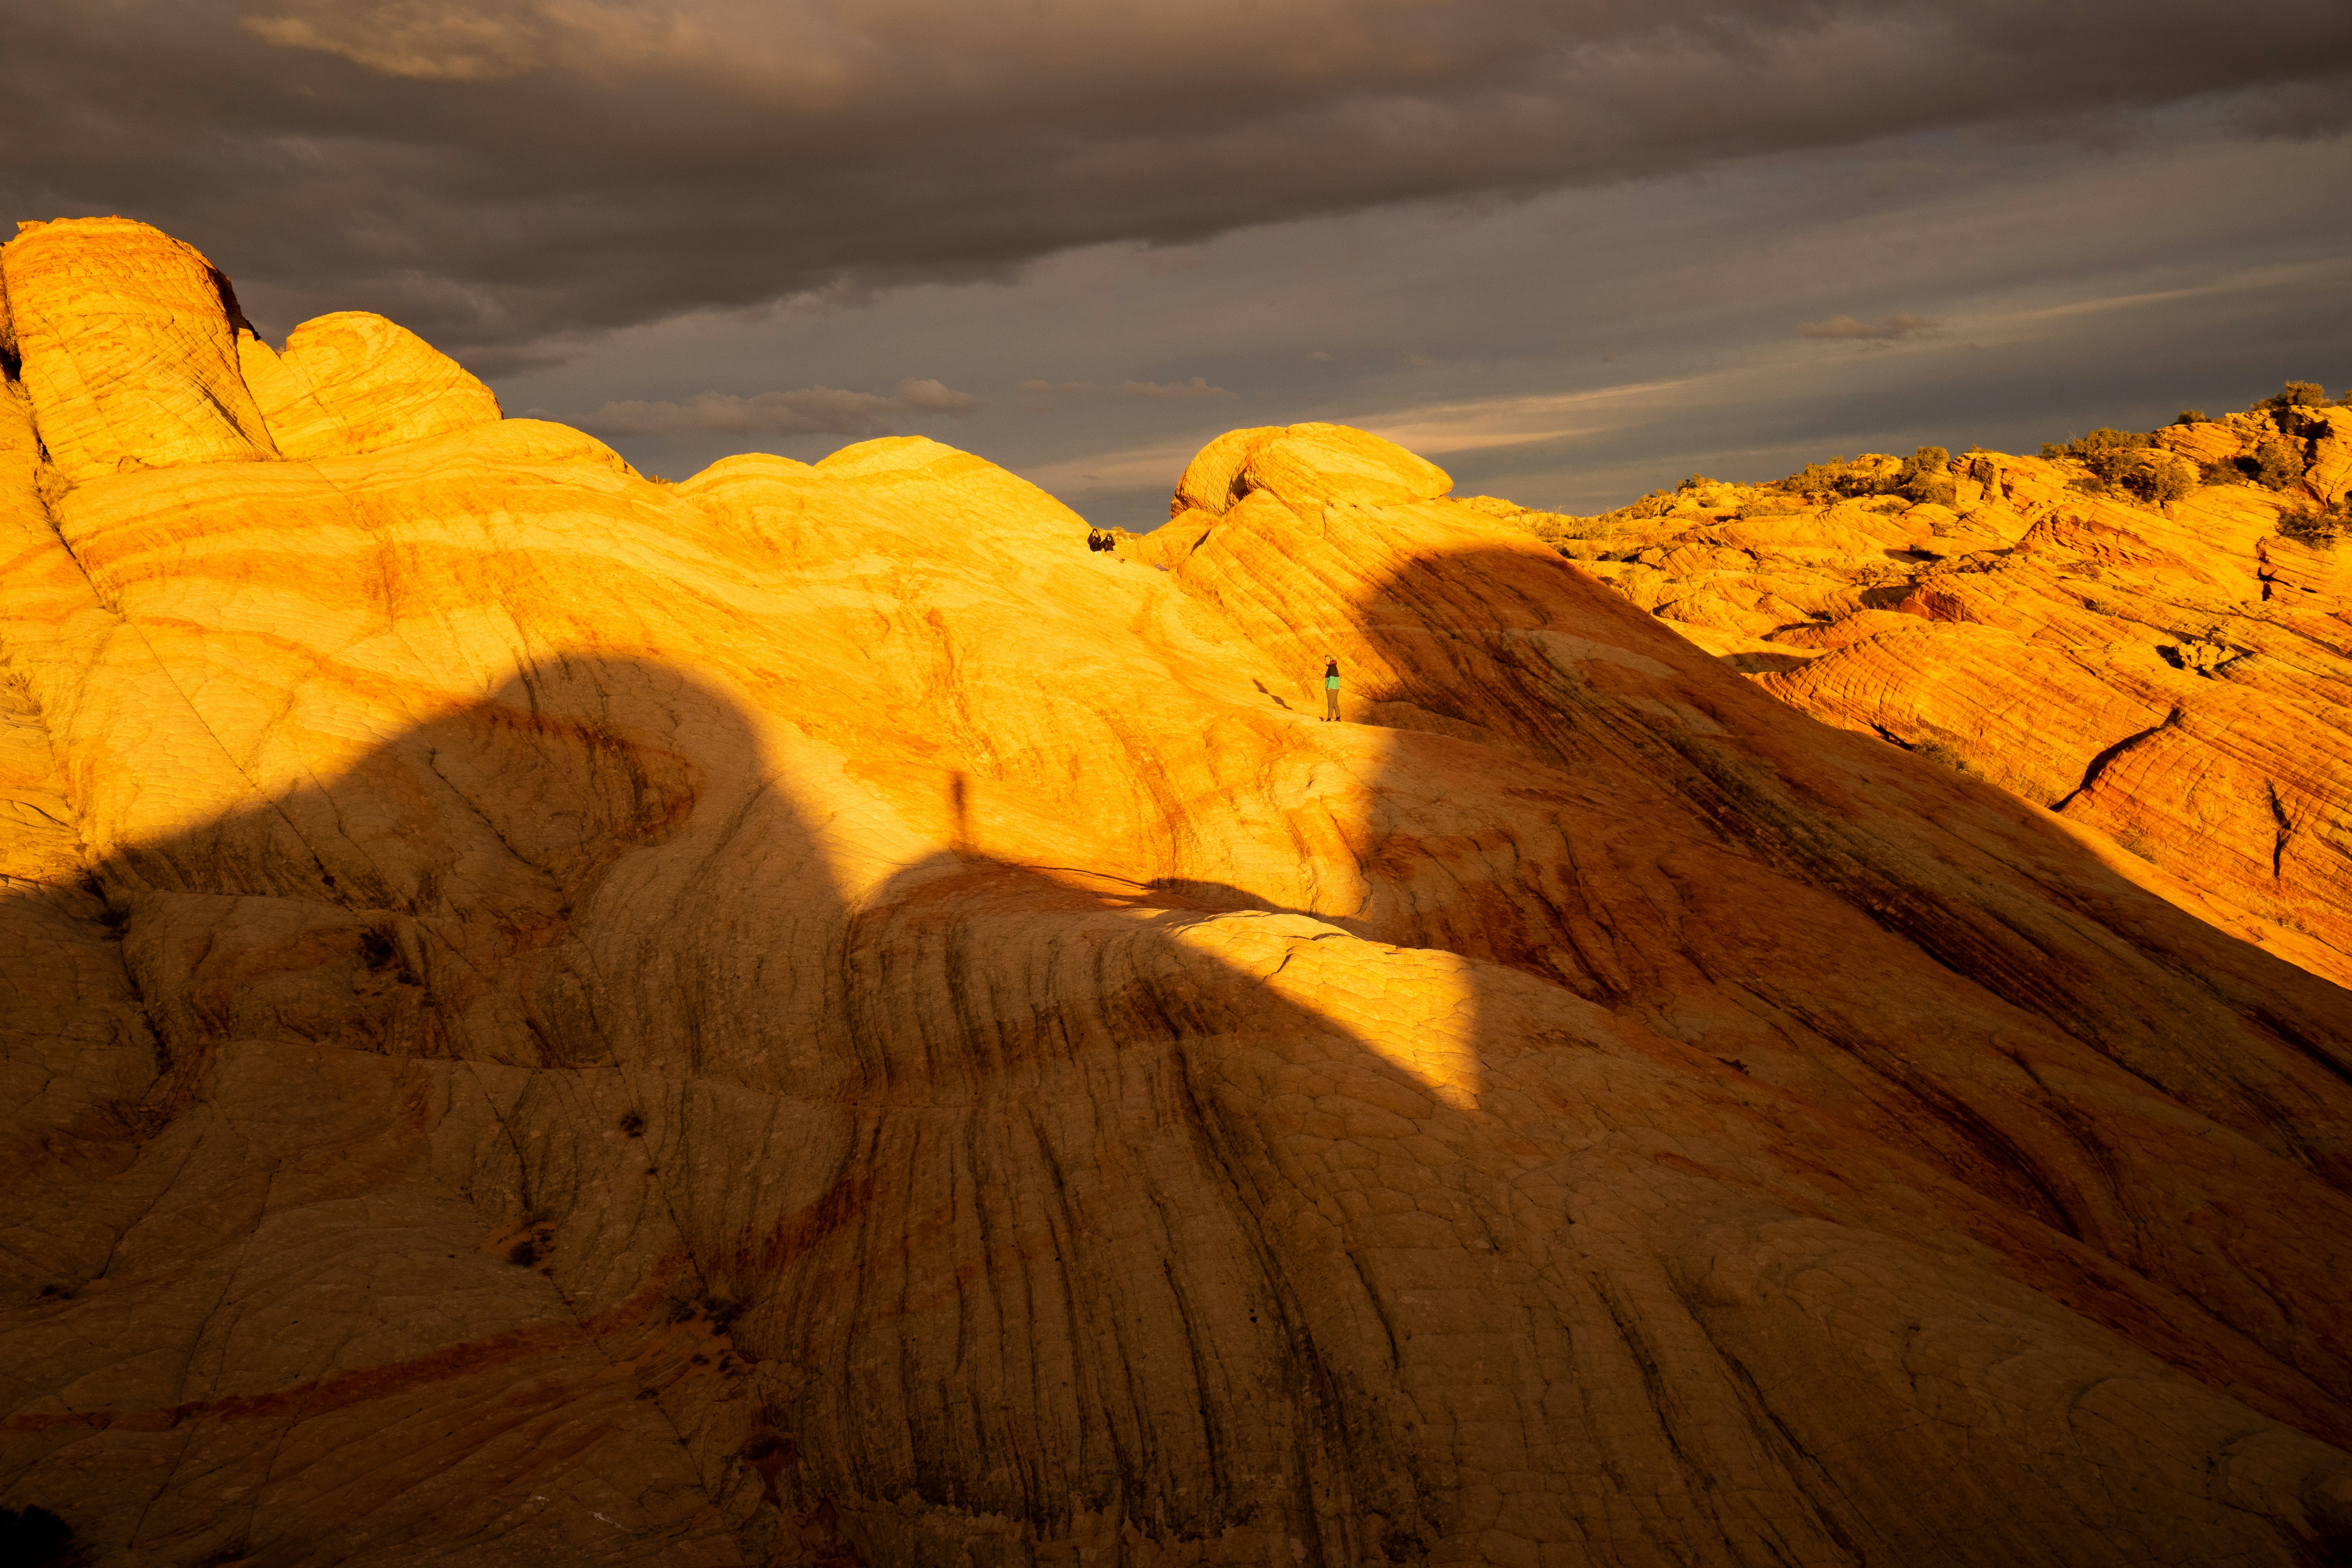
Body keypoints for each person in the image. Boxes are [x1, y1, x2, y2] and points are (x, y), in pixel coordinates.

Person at [1323, 656, 1341, 722]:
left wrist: (1329, 687)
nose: (1327, 661)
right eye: (1326, 660)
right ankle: (1338, 718)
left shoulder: (1332, 668)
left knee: (1330, 703)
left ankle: (1329, 718)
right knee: (1335, 703)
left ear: (1331, 659)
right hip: (1336, 688)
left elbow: (1332, 679)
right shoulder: (1333, 666)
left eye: (1328, 659)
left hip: (1332, 689)